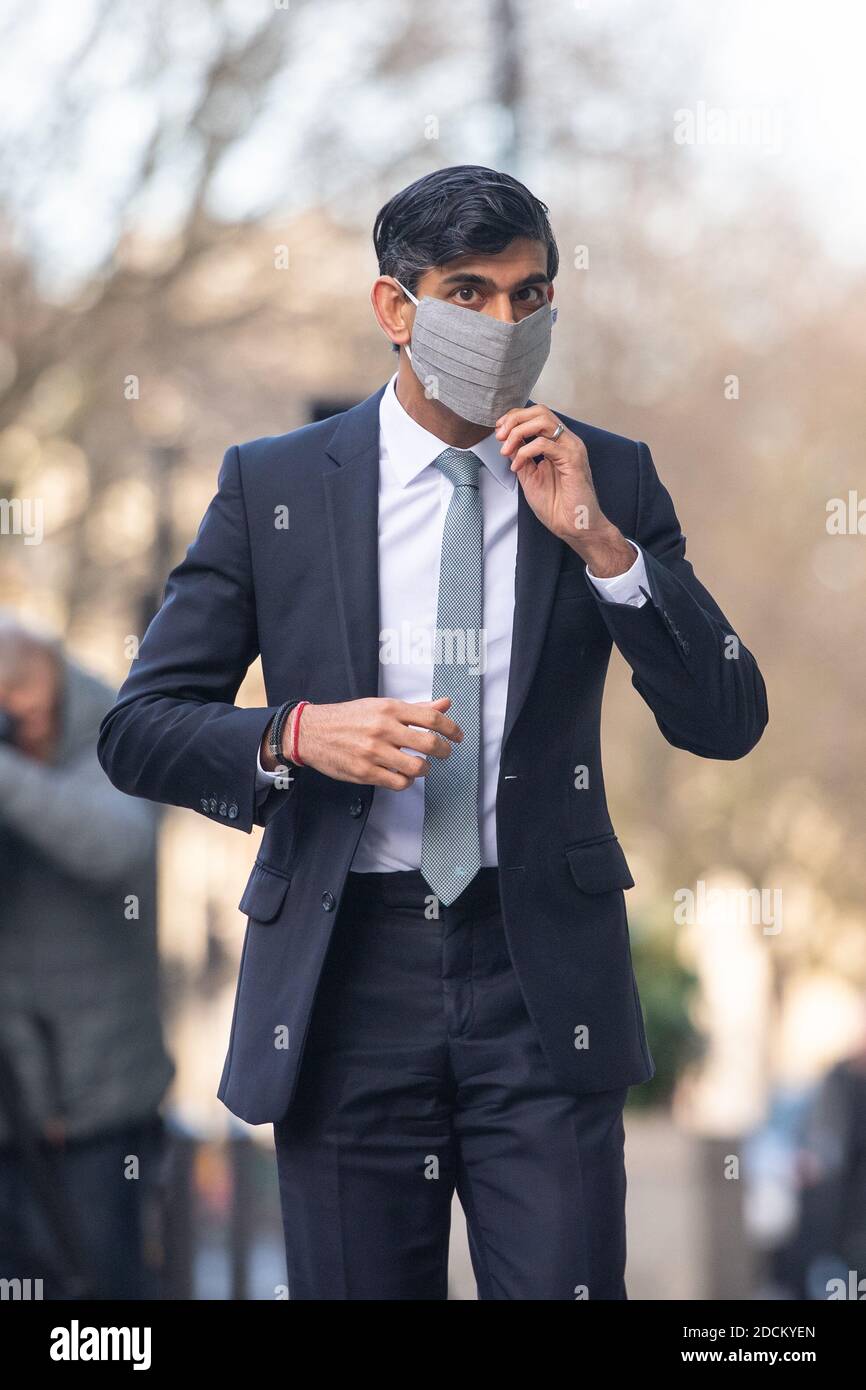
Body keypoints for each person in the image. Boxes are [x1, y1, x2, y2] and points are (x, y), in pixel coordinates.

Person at [98, 165, 768, 1300]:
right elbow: (138, 728)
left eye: (529, 293)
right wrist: (294, 734)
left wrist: (603, 544)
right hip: (345, 973)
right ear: (394, 310)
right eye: (468, 291)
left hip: (538, 971)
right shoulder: (273, 486)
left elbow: (723, 717)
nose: (505, 322)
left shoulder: (609, 475)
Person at [0, 616, 173, 1298]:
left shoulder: (114, 728)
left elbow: (116, 844)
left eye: (29, 713)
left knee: (100, 1315)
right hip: (13, 1104)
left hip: (97, 1114)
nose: (25, 731)